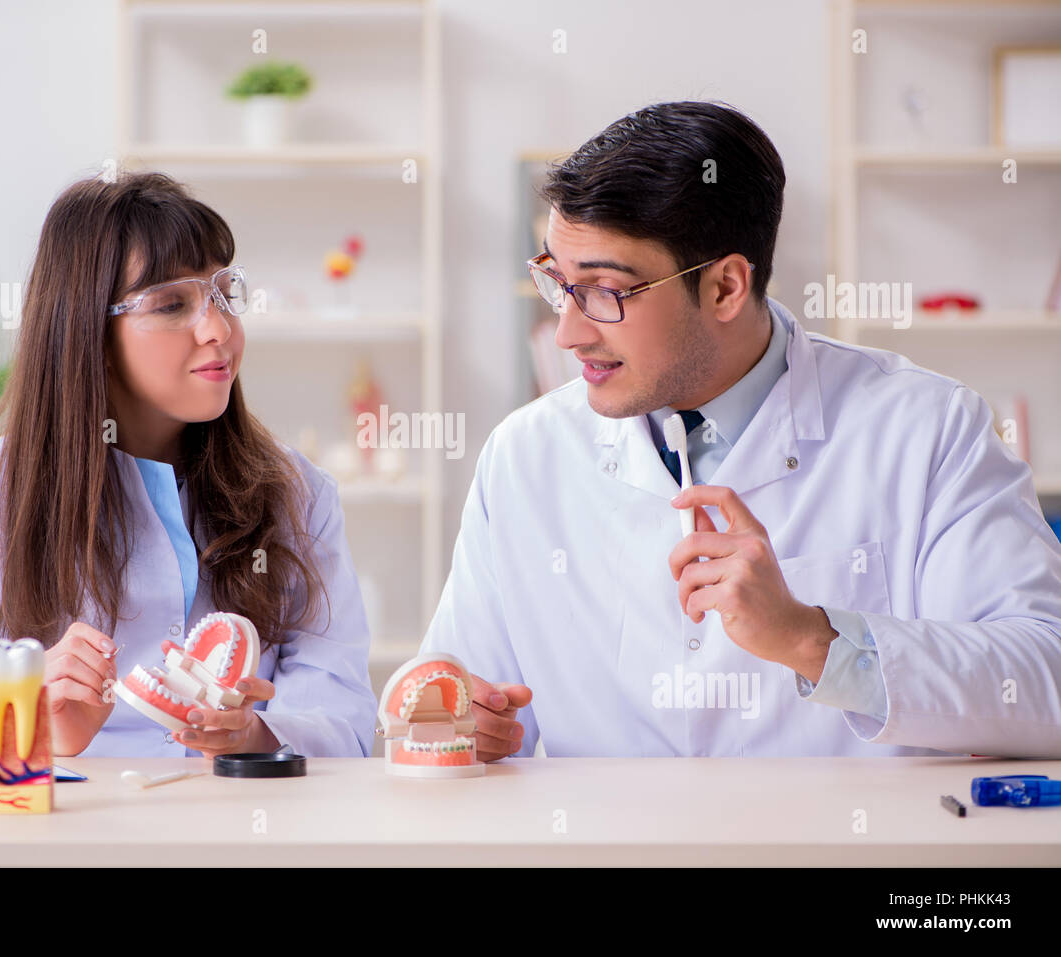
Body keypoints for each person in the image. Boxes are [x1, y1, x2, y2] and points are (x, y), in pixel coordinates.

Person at [422, 101, 1061, 760]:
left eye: (605, 292)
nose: (568, 332)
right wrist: (449, 714)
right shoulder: (525, 454)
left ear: (725, 287)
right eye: (559, 283)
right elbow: (451, 694)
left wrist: (814, 640)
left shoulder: (927, 430)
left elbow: (1046, 680)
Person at [0, 171, 377, 758]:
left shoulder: (297, 495)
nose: (219, 328)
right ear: (85, 329)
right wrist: (31, 725)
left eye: (225, 292)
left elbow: (343, 712)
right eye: (173, 304)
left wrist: (259, 737)